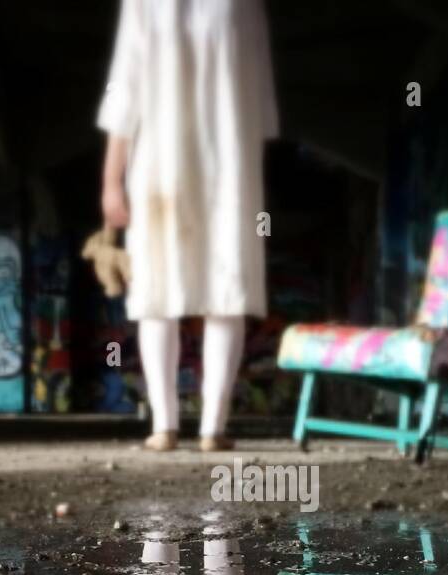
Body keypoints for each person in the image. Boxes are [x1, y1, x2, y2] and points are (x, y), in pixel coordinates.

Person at [98, 0, 278, 452]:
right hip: (192, 164)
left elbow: (126, 89)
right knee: (173, 290)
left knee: (219, 288)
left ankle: (200, 427)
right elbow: (126, 86)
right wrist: (111, 182)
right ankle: (180, 425)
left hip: (211, 164)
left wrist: (111, 180)